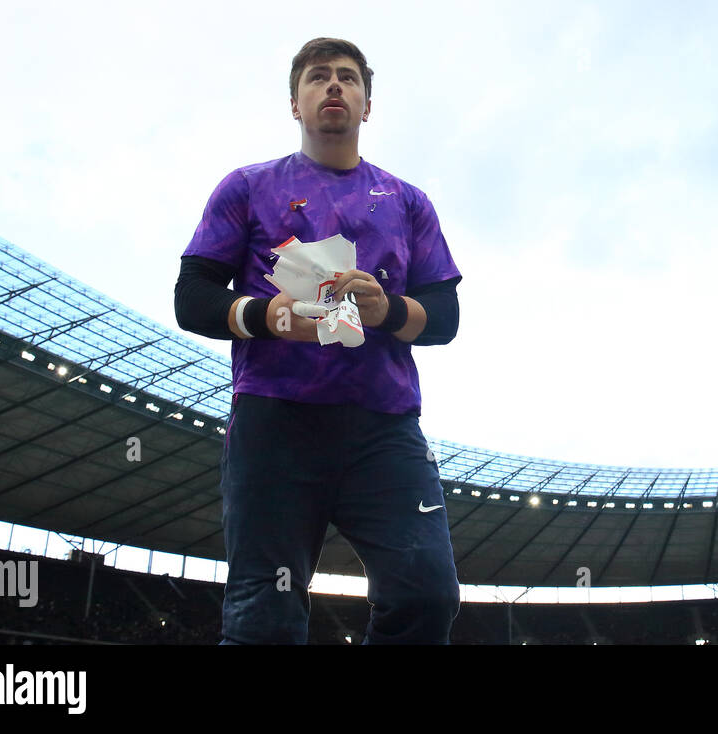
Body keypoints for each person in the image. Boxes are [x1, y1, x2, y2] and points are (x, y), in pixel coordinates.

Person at [174, 37, 463, 644]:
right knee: (265, 612)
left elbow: (444, 316)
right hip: (276, 420)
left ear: (366, 104)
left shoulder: (408, 202)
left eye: (349, 78)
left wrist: (386, 309)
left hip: (382, 428)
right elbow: (193, 295)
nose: (334, 86)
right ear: (295, 103)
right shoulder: (249, 186)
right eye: (318, 77)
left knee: (427, 593)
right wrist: (268, 315)